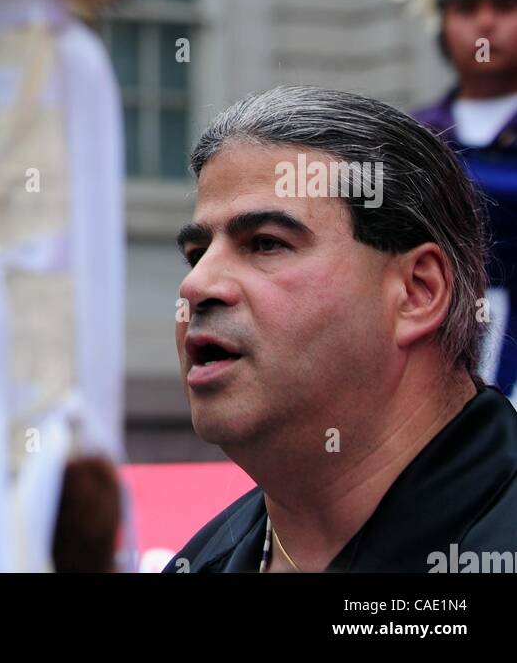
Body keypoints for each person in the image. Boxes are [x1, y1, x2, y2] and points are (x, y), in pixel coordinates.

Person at [165, 86, 517, 574]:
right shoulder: (199, 562)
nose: (196, 285)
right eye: (196, 254)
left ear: (418, 291)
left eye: (266, 243)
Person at [382, 0, 517, 404]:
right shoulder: (414, 137)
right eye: (466, 9)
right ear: (441, 25)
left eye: (505, 5)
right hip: (433, 355)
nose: (485, 21)